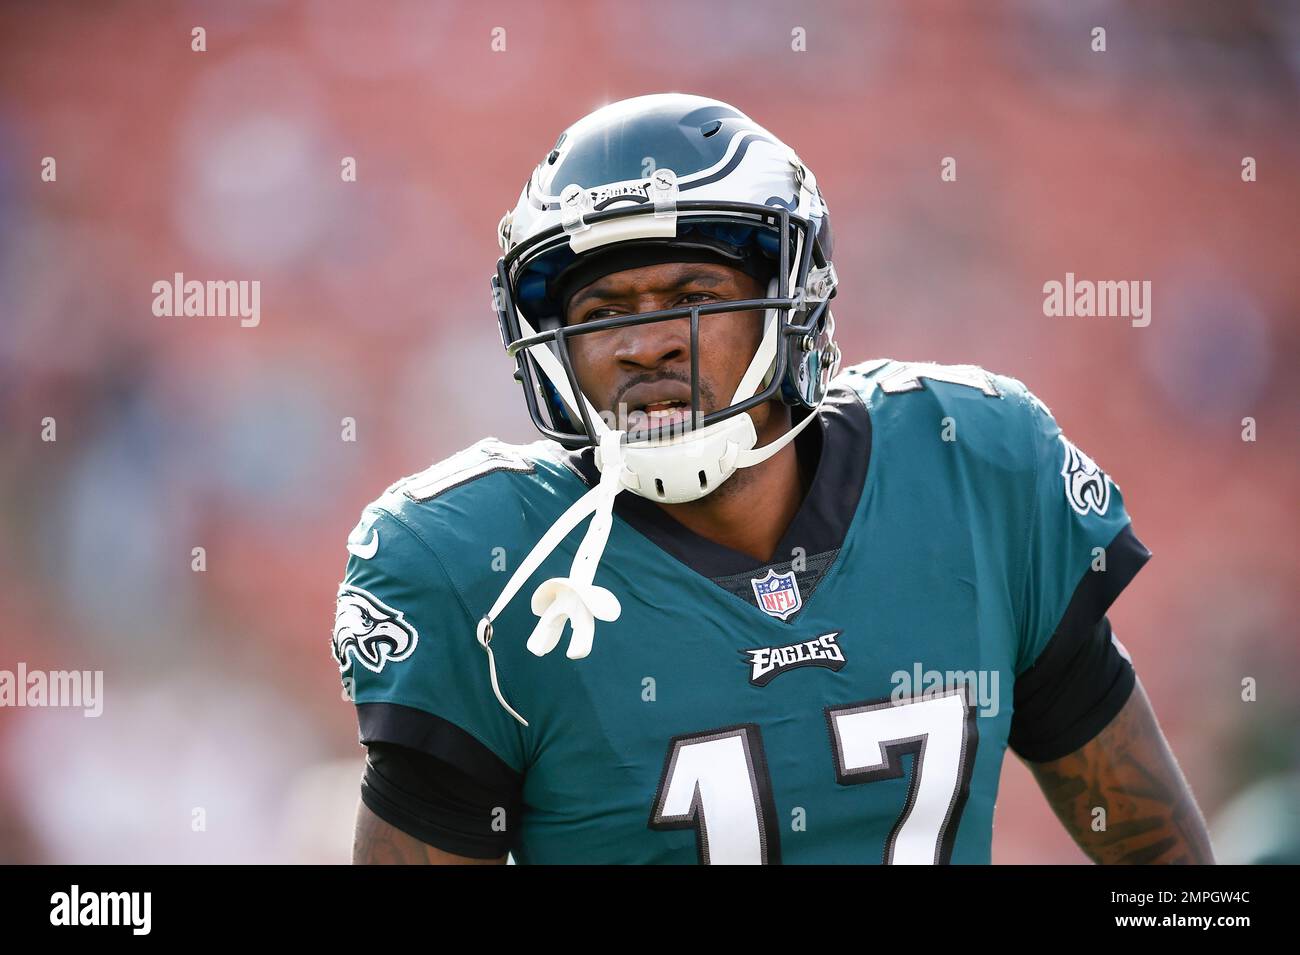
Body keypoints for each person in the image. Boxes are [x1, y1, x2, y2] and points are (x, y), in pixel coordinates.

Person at [333, 93, 1214, 864]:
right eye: (603, 313)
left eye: (693, 296)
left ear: (792, 302)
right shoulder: (480, 569)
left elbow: (1160, 863)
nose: (647, 342)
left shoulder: (970, 468)